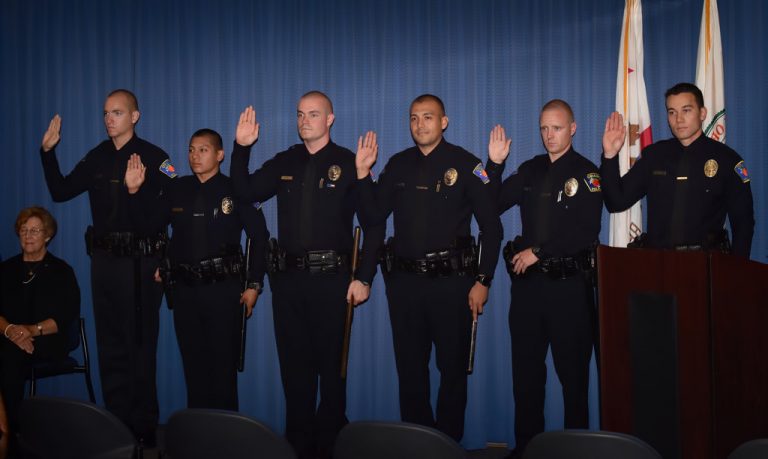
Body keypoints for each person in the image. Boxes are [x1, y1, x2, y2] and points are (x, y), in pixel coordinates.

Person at [230, 92, 383, 459]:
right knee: (294, 372)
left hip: (333, 283)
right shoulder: (286, 160)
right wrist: (241, 148)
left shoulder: (349, 162)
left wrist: (363, 277)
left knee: (332, 374)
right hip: (289, 283)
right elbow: (244, 191)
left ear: (330, 119)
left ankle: (331, 446)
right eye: (300, 114)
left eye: (313, 114)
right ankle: (298, 446)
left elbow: (374, 224)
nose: (305, 121)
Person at [354, 94, 503, 442]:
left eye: (428, 117)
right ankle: (417, 446)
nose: (420, 125)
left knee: (452, 373)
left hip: (452, 286)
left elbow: (492, 229)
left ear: (444, 122)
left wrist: (483, 279)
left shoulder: (467, 165)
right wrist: (362, 175)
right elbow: (373, 217)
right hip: (404, 285)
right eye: (414, 118)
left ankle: (448, 446)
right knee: (410, 372)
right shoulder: (397, 165)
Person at [39, 89, 172, 445]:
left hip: (141, 264)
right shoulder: (97, 157)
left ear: (135, 116)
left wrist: (137, 192)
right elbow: (61, 190)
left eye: (117, 112)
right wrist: (48, 153)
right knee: (110, 346)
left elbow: (166, 215)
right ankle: (117, 429)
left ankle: (144, 431)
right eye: (105, 113)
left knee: (139, 347)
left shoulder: (156, 158)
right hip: (105, 263)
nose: (109, 119)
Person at [485, 100, 602, 457]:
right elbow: (491, 204)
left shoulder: (587, 173)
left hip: (570, 290)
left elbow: (587, 231)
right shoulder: (530, 170)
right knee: (526, 379)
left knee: (573, 380)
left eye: (557, 128)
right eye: (544, 129)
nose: (549, 135)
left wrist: (540, 251)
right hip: (530, 293)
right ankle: (526, 448)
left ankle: (576, 451)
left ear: (573, 128)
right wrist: (495, 164)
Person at [125, 129, 268, 410]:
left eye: (203, 150)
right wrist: (134, 192)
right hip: (185, 291)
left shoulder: (235, 190)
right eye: (191, 149)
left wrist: (254, 285)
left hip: (223, 290)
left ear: (219, 155)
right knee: (194, 369)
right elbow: (147, 227)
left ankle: (225, 439)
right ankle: (198, 439)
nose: (195, 156)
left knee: (223, 371)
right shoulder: (177, 189)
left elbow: (259, 237)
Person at [601, 82, 755, 257]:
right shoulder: (655, 156)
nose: (678, 119)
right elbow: (616, 202)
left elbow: (743, 223)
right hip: (658, 267)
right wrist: (610, 156)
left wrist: (736, 273)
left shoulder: (727, 160)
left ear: (702, 113)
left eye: (686, 110)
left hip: (705, 269)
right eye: (672, 112)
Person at [0, 207, 80, 449]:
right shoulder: (5, 269)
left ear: (47, 235)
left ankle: (11, 432)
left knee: (8, 356)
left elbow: (65, 317)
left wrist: (30, 331)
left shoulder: (61, 271)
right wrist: (10, 331)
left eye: (35, 230)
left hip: (48, 338)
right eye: (23, 230)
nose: (28, 235)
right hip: (10, 336)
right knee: (8, 350)